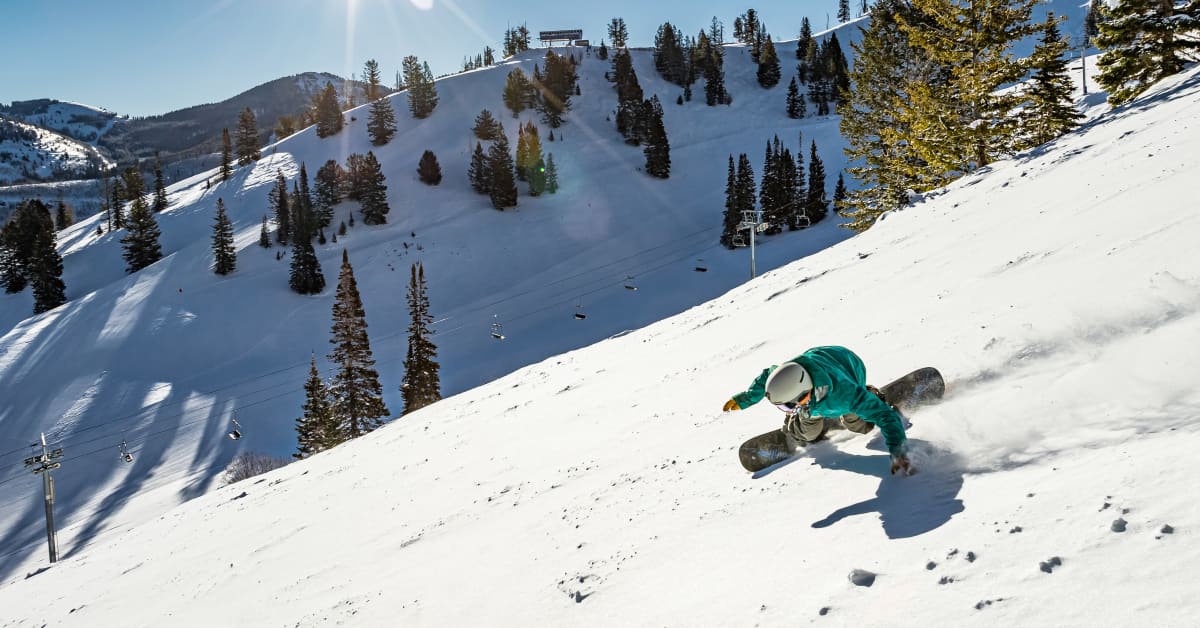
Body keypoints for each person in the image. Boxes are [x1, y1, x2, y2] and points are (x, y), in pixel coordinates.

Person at [722, 345, 913, 475]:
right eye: (781, 406)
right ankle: (802, 425)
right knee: (807, 431)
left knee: (859, 426)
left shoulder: (846, 395)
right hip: (819, 368)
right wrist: (745, 399)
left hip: (849, 366)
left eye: (788, 405)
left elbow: (885, 416)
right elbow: (767, 376)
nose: (787, 410)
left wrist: (898, 450)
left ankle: (871, 396)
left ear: (805, 392)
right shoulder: (788, 374)